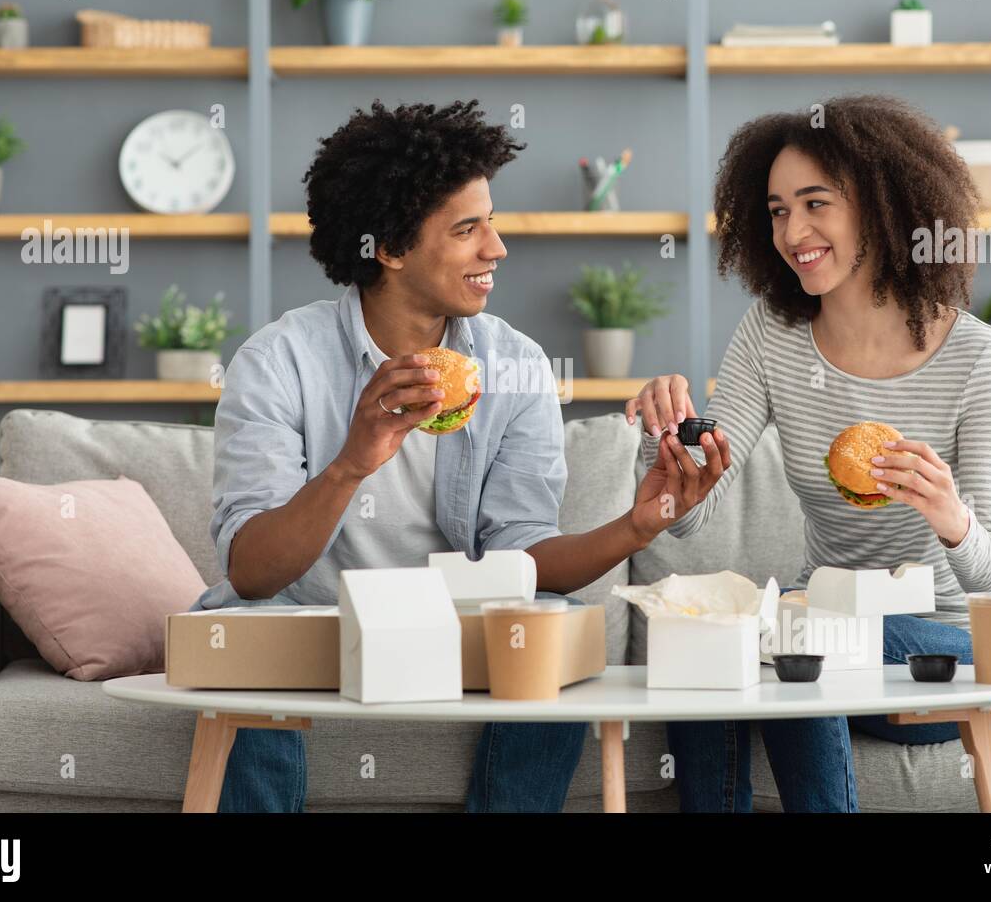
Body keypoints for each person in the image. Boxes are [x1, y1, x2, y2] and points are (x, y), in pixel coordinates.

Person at [195, 99, 730, 812]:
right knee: (240, 635)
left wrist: (639, 525)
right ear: (388, 249)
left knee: (550, 622)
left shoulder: (516, 365)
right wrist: (354, 461)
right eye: (467, 229)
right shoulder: (278, 361)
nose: (496, 249)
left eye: (492, 222)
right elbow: (254, 573)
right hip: (307, 618)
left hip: (459, 628)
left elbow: (524, 557)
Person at [626, 94, 991, 812]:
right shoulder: (770, 334)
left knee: (797, 640)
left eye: (816, 204)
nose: (793, 231)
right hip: (815, 635)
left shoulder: (978, 357)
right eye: (777, 210)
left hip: (946, 651)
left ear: (882, 205)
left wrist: (948, 514)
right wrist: (673, 452)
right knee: (707, 642)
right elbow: (688, 513)